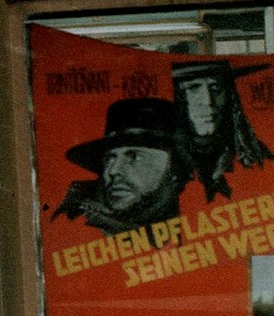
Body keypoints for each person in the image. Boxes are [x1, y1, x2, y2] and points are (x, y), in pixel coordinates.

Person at [52, 97, 189, 235]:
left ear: (172, 167)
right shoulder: (75, 226)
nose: (113, 170)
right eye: (109, 159)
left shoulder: (192, 220)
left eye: (134, 157)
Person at [171, 59, 274, 201]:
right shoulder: (164, 160)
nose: (208, 101)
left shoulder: (252, 155)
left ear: (230, 96)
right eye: (194, 88)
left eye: (216, 88)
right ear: (179, 96)